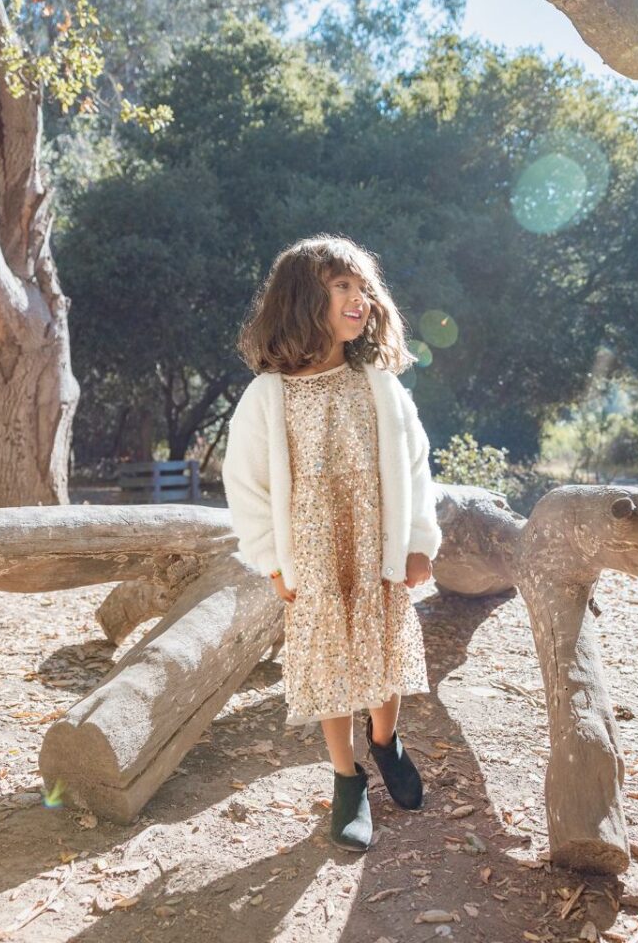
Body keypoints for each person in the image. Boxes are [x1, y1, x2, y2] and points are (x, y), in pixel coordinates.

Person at [221, 234, 442, 852]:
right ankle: (347, 781)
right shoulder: (268, 396)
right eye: (341, 287)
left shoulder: (379, 385)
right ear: (300, 301)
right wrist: (270, 561)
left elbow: (416, 464)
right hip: (314, 551)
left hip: (378, 540)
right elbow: (248, 485)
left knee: (382, 642)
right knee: (331, 659)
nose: (359, 299)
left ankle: (385, 739)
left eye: (362, 288)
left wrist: (421, 539)